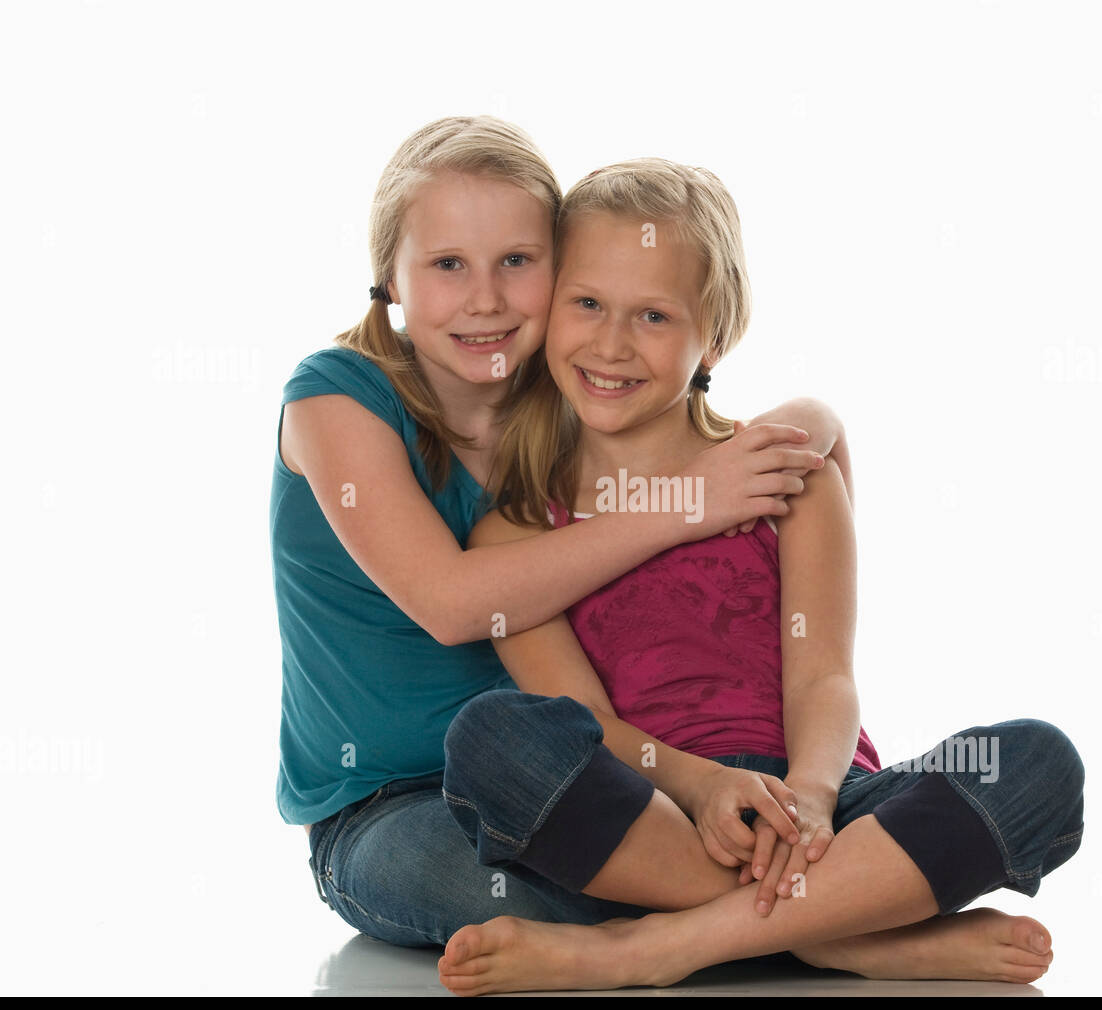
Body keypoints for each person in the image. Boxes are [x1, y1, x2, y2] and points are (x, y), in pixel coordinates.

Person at [438, 158, 1086, 994]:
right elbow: (591, 723)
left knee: (1036, 763)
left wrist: (812, 795)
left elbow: (825, 676)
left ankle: (655, 949)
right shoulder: (515, 538)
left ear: (715, 335)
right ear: (552, 305)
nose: (611, 343)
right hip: (658, 814)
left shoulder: (787, 474)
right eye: (588, 304)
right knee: (491, 740)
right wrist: (705, 785)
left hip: (833, 812)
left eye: (655, 316)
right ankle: (848, 934)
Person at [272, 115, 847, 947]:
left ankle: (742, 916)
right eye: (446, 266)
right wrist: (687, 502)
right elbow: (450, 603)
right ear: (388, 280)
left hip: (582, 774)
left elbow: (764, 432)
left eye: (517, 262)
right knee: (478, 886)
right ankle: (849, 929)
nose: (485, 299)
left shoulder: (559, 399)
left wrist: (808, 420)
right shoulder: (334, 399)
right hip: (390, 801)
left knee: (617, 852)